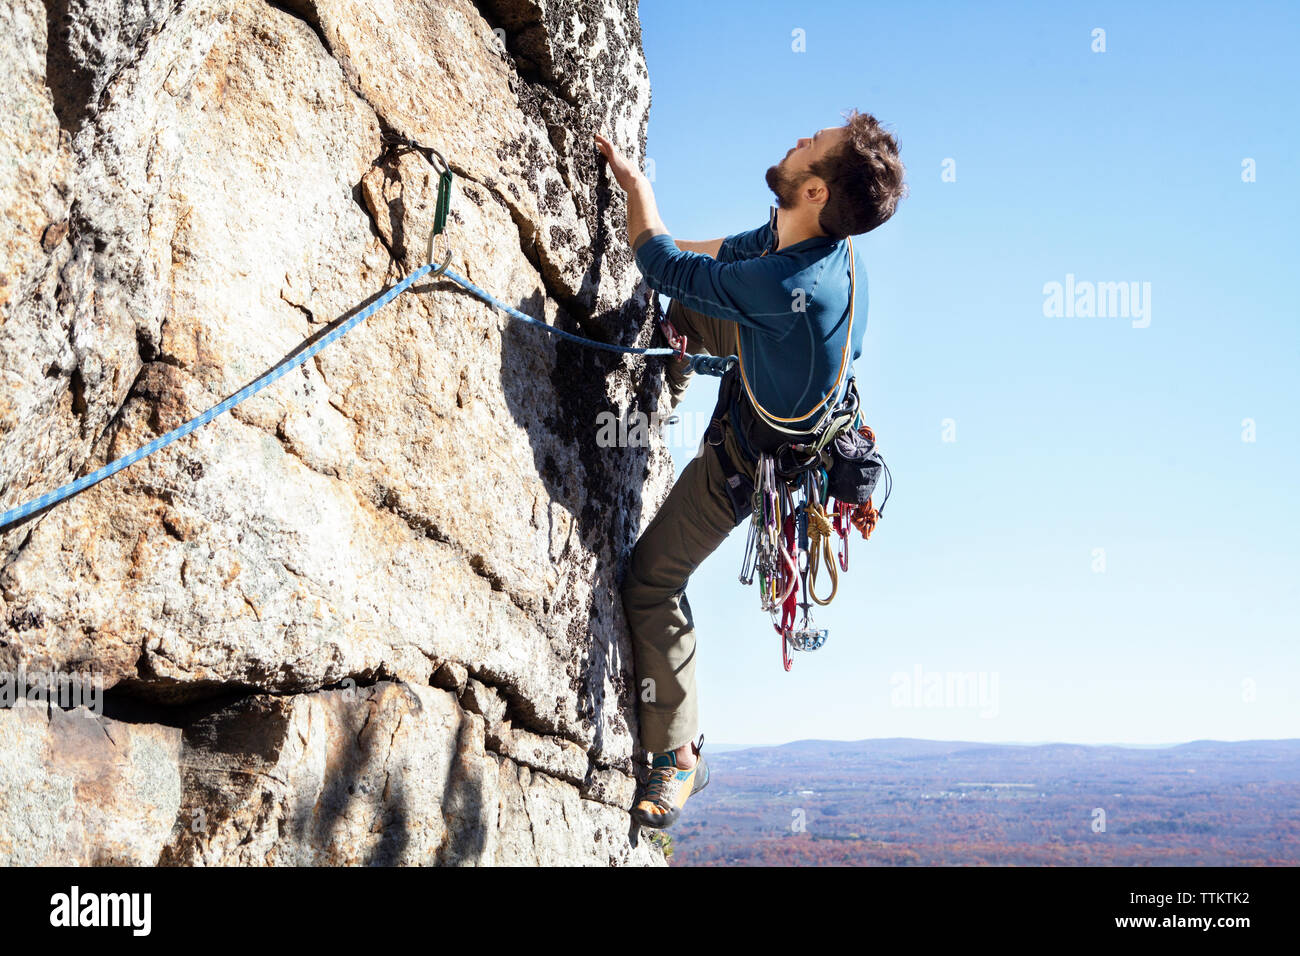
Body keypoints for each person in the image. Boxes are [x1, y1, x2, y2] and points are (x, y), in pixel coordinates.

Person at [593, 109, 906, 829]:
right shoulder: (800, 242)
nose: (800, 137)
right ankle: (666, 376)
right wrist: (678, 275)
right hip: (766, 365)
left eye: (814, 146)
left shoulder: (793, 285)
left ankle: (677, 757)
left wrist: (636, 187)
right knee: (689, 306)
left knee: (651, 580)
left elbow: (664, 262)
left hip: (752, 460)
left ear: (818, 191)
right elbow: (714, 264)